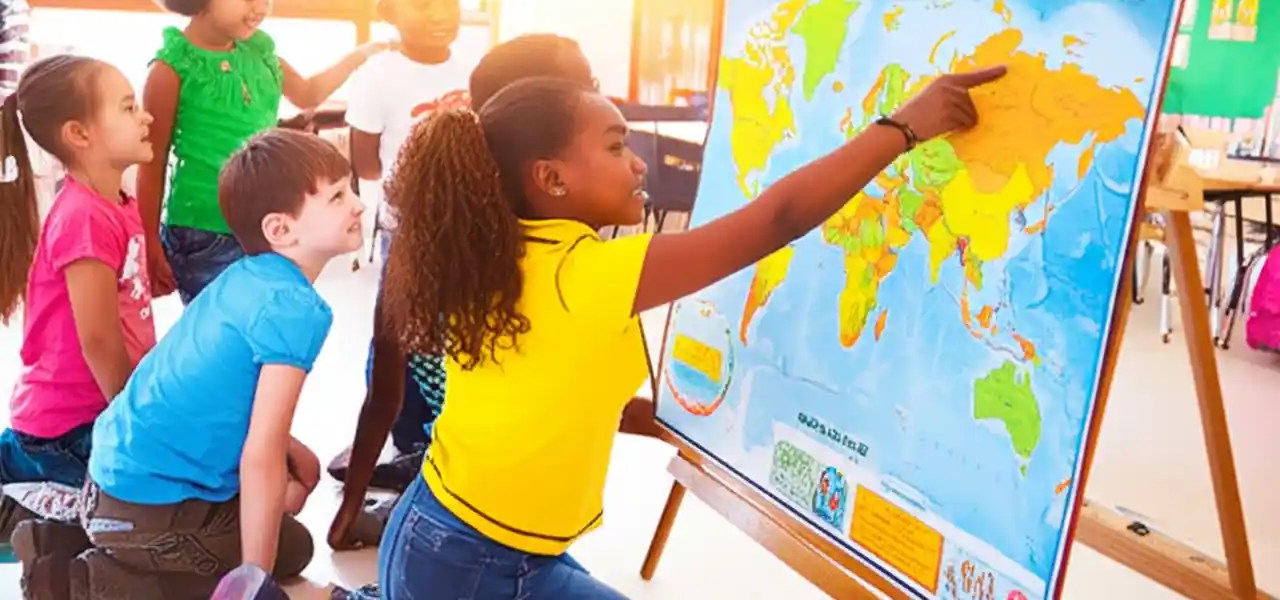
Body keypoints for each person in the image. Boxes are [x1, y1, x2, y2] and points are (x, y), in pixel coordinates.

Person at [374, 63, 1006, 598]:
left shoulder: (505, 255)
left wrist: (671, 421)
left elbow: (539, 391)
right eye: (616, 147)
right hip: (473, 564)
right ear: (552, 178)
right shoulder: (584, 272)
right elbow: (777, 219)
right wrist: (904, 128)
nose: (638, 165)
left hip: (444, 532)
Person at [326, 34, 658, 552]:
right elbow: (389, 374)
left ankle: (411, 484)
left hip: (474, 466)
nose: (596, 94)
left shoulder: (547, 233)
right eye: (584, 85)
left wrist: (351, 504)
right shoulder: (465, 234)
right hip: (468, 472)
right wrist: (351, 505)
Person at [13, 129, 365, 599]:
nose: (357, 205)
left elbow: (227, 403)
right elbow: (260, 456)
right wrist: (255, 586)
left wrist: (296, 457)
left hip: (115, 476)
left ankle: (69, 538)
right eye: (337, 196)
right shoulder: (295, 308)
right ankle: (80, 581)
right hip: (146, 502)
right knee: (286, 549)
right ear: (280, 229)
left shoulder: (245, 275)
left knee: (288, 527)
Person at [137, 0, 389, 305]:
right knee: (225, 330)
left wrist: (359, 56)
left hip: (266, 222)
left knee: (266, 321)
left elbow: (307, 94)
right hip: (203, 229)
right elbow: (150, 164)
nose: (261, 7)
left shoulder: (260, 53)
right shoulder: (171, 69)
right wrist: (148, 241)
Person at [330, 0, 471, 485]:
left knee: (450, 336)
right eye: (424, 2)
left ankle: (441, 435)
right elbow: (365, 160)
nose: (440, 14)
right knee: (397, 334)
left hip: (465, 229)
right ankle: (398, 436)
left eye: (449, 0)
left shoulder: (471, 70)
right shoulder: (379, 75)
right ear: (388, 11)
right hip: (408, 230)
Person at [0, 55, 155, 539]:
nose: (147, 117)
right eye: (129, 108)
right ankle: (28, 506)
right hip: (71, 425)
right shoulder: (83, 216)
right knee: (146, 516)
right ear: (78, 134)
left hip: (97, 410)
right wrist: (137, 427)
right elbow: (99, 341)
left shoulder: (117, 203)